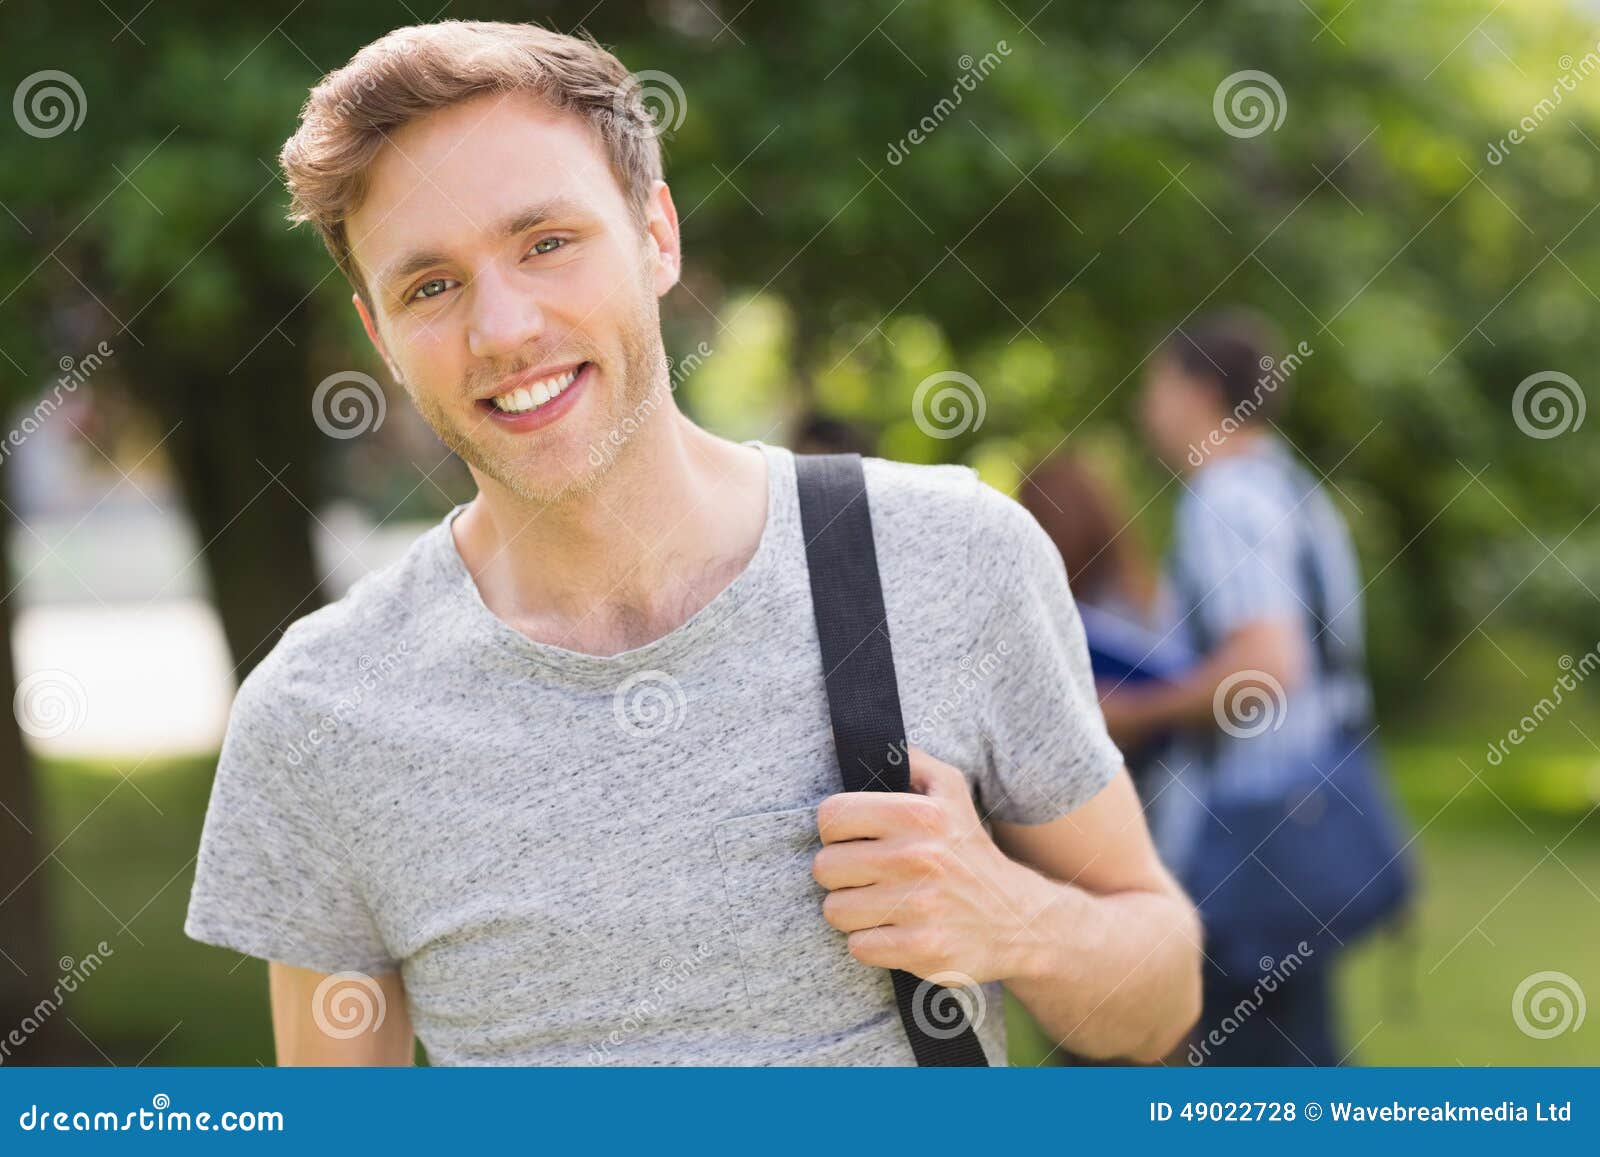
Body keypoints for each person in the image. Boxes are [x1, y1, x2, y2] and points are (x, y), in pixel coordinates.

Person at [182, 20, 1201, 1066]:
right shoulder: (320, 715)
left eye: (546, 242)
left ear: (656, 236)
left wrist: (1009, 915)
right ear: (379, 339)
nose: (501, 328)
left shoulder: (947, 557)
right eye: (429, 285)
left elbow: (1161, 993)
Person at [1100, 310, 1383, 1066]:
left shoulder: (1226, 496)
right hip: (1309, 813)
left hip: (1247, 838)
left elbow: (1266, 666)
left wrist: (1130, 712)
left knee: (1247, 1062)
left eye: (1156, 384)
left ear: (1197, 390)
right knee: (1299, 1047)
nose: (1145, 407)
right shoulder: (1290, 484)